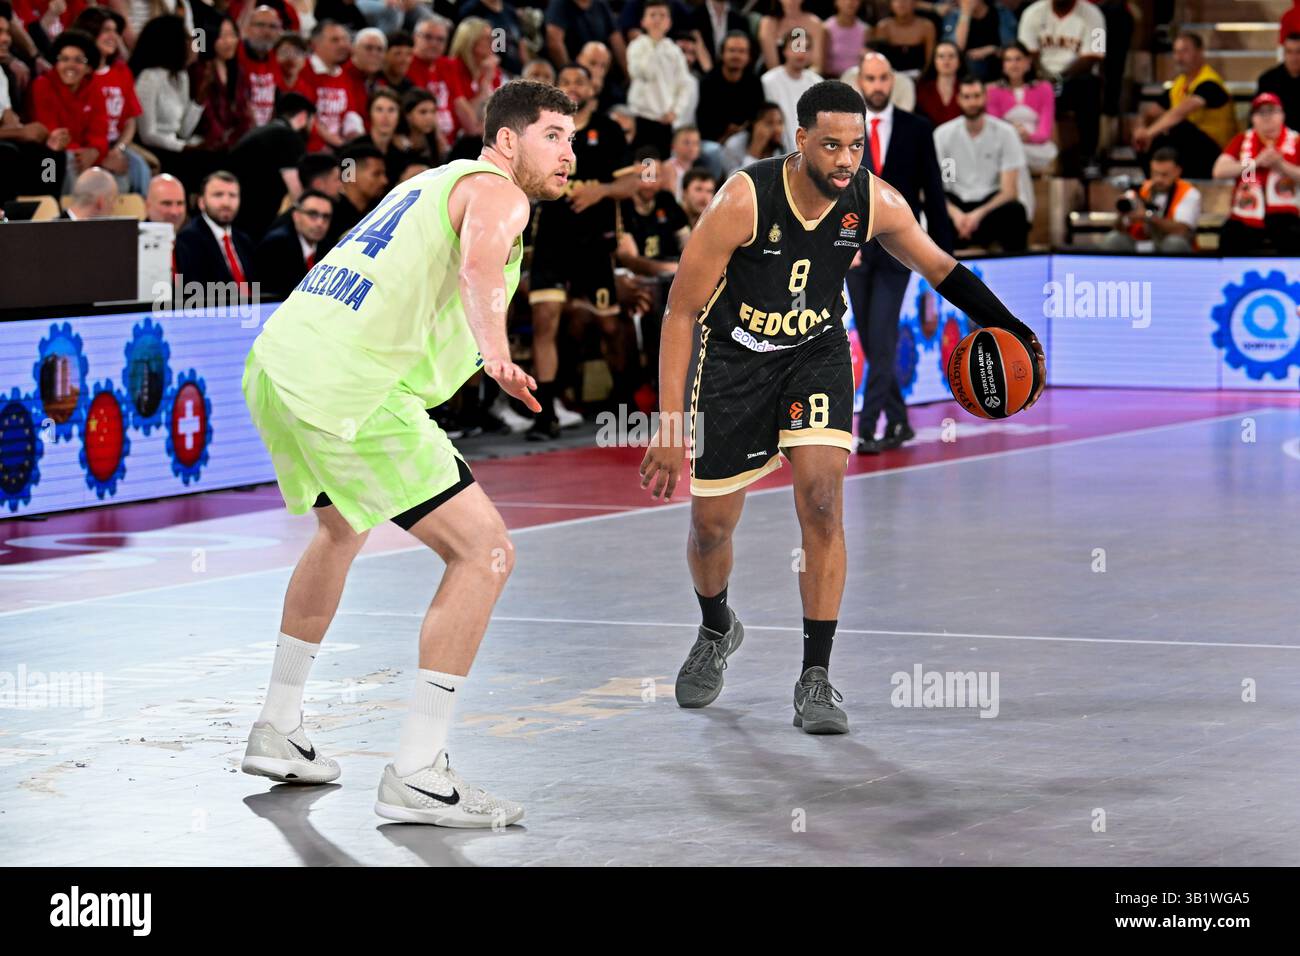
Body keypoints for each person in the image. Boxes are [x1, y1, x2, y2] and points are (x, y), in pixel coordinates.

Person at [638, 79, 1044, 733]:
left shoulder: (874, 200)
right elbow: (681, 311)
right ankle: (717, 627)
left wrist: (1015, 328)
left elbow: (942, 268)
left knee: (823, 502)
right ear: (800, 142)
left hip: (816, 353)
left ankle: (816, 679)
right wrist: (670, 421)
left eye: (855, 146)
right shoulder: (743, 200)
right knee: (711, 527)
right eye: (831, 146)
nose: (845, 159)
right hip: (735, 361)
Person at [239, 80, 578, 827]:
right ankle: (421, 773)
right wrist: (496, 354)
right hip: (349, 384)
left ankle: (277, 728)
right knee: (484, 552)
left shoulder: (424, 183)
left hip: (280, 360)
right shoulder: (498, 194)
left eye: (573, 138)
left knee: (340, 529)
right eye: (553, 135)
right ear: (509, 139)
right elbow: (479, 270)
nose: (569, 153)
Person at [527, 63, 639, 440]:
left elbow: (632, 183)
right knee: (545, 319)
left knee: (610, 323)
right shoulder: (542, 130)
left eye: (581, 80)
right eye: (567, 81)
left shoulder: (607, 129)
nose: (574, 87)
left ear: (594, 87)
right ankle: (546, 415)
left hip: (594, 244)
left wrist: (600, 191)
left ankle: (625, 406)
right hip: (552, 242)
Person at [849, 50, 952, 454]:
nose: (877, 86)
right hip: (854, 251)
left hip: (898, 253)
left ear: (893, 82)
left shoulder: (916, 129)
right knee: (875, 344)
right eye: (870, 79)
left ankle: (870, 426)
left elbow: (934, 194)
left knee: (883, 336)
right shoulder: (846, 130)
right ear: (860, 80)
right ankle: (900, 421)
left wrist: (942, 258)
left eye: (883, 78)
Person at [934, 74, 1029, 250]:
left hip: (990, 207)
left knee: (1015, 211)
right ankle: (938, 274)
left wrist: (976, 216)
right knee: (933, 211)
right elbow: (939, 187)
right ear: (959, 99)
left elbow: (1010, 191)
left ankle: (1016, 271)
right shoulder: (943, 135)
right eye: (967, 97)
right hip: (956, 207)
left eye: (977, 96)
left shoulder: (1006, 133)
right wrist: (958, 216)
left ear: (985, 97)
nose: (972, 103)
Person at [1017, 0, 1105, 175]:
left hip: (1074, 80)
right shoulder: (1031, 12)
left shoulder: (1094, 14)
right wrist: (1045, 78)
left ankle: (1088, 157)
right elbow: (1027, 53)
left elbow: (1095, 54)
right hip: (1039, 79)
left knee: (1090, 85)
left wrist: (1060, 78)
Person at [1132, 31, 1235, 180]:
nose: (1179, 57)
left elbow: (1181, 111)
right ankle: (1154, 183)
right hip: (1189, 150)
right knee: (1144, 139)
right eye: (1176, 52)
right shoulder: (1177, 84)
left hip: (1216, 152)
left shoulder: (1210, 83)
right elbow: (1149, 112)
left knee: (1176, 127)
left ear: (1200, 52)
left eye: (1185, 51)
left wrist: (1149, 133)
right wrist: (1140, 130)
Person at [1212, 92, 1300, 255]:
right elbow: (1219, 171)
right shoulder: (1242, 140)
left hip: (1286, 213)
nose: (1267, 118)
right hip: (1246, 213)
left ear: (1282, 115)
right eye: (1261, 112)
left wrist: (1281, 164)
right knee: (1230, 236)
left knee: (1293, 235)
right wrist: (1255, 162)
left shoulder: (1295, 140)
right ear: (1253, 118)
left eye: (1272, 111)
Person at [229, 91, 313, 242]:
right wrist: (312, 213)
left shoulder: (262, 132)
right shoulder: (288, 137)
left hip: (236, 209)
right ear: (303, 117)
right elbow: (296, 191)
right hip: (252, 216)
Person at [626, 0, 695, 158]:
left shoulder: (674, 51)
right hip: (641, 118)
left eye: (662, 15)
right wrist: (655, 46)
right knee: (644, 160)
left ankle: (659, 183)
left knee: (662, 160)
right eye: (652, 15)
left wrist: (675, 112)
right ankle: (645, 182)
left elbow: (684, 85)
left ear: (669, 22)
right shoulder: (636, 46)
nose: (657, 19)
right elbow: (642, 73)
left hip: (665, 119)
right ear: (643, 21)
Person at [1100, 147, 1200, 253]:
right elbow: (1118, 227)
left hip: (1166, 245)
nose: (1159, 179)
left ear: (1177, 171)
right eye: (1155, 174)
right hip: (1140, 244)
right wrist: (1122, 215)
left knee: (1174, 243)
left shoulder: (1188, 193)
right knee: (1114, 239)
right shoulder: (1140, 189)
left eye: (1164, 175)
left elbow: (1181, 230)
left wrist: (1147, 216)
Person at [174, 170, 256, 295]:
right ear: (201, 202)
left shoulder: (244, 240)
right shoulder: (188, 240)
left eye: (232, 195)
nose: (226, 203)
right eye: (218, 195)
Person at [986, 40, 1057, 173]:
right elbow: (993, 129)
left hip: (1036, 147)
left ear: (1028, 62)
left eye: (1018, 59)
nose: (1013, 64)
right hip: (1004, 145)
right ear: (1003, 65)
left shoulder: (1044, 89)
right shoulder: (993, 91)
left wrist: (1028, 136)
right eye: (1008, 60)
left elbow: (1045, 131)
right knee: (1009, 154)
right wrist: (1013, 136)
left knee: (1015, 156)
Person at [254, 187, 332, 296]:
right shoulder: (276, 245)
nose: (320, 223)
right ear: (296, 216)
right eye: (313, 214)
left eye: (326, 217)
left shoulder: (327, 247)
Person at [696, 30, 764, 147]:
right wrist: (727, 132)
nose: (736, 56)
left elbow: (758, 115)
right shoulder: (708, 82)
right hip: (714, 141)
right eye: (732, 50)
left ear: (749, 56)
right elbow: (704, 120)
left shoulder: (754, 83)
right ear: (722, 54)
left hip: (747, 138)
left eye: (742, 51)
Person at [762, 28, 822, 153]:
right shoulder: (769, 81)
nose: (800, 53)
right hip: (777, 149)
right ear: (784, 50)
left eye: (805, 48)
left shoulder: (817, 82)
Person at [322, 143, 389, 247]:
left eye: (384, 174)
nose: (384, 181)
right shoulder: (327, 215)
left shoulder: (378, 211)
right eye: (376, 174)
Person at [942, 0, 1015, 82]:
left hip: (999, 66)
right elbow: (956, 49)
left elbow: (1013, 50)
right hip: (967, 71)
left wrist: (992, 49)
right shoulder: (953, 16)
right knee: (973, 61)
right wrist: (965, 14)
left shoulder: (1001, 12)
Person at [758, 0, 826, 75]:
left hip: (806, 79)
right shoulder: (768, 23)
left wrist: (806, 81)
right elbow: (772, 65)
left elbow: (816, 65)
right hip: (775, 78)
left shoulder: (815, 23)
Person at [720, 100, 786, 176]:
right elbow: (733, 181)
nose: (777, 129)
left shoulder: (781, 146)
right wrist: (755, 149)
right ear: (755, 125)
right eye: (769, 123)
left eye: (780, 122)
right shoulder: (734, 144)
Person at [872, 0, 935, 77]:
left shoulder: (926, 26)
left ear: (914, 3)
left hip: (920, 78)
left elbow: (930, 60)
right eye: (896, 0)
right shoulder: (883, 27)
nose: (901, 3)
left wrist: (921, 79)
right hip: (891, 78)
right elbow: (879, 60)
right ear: (891, 4)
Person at [915, 38, 963, 127]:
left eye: (951, 56)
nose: (946, 60)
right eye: (941, 56)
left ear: (959, 61)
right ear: (934, 61)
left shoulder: (967, 89)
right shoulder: (922, 90)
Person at [1258, 33, 1300, 130]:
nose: (1294, 57)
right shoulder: (1268, 80)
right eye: (1289, 52)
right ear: (1283, 53)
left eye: (1298, 52)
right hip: (1276, 138)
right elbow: (1259, 115)